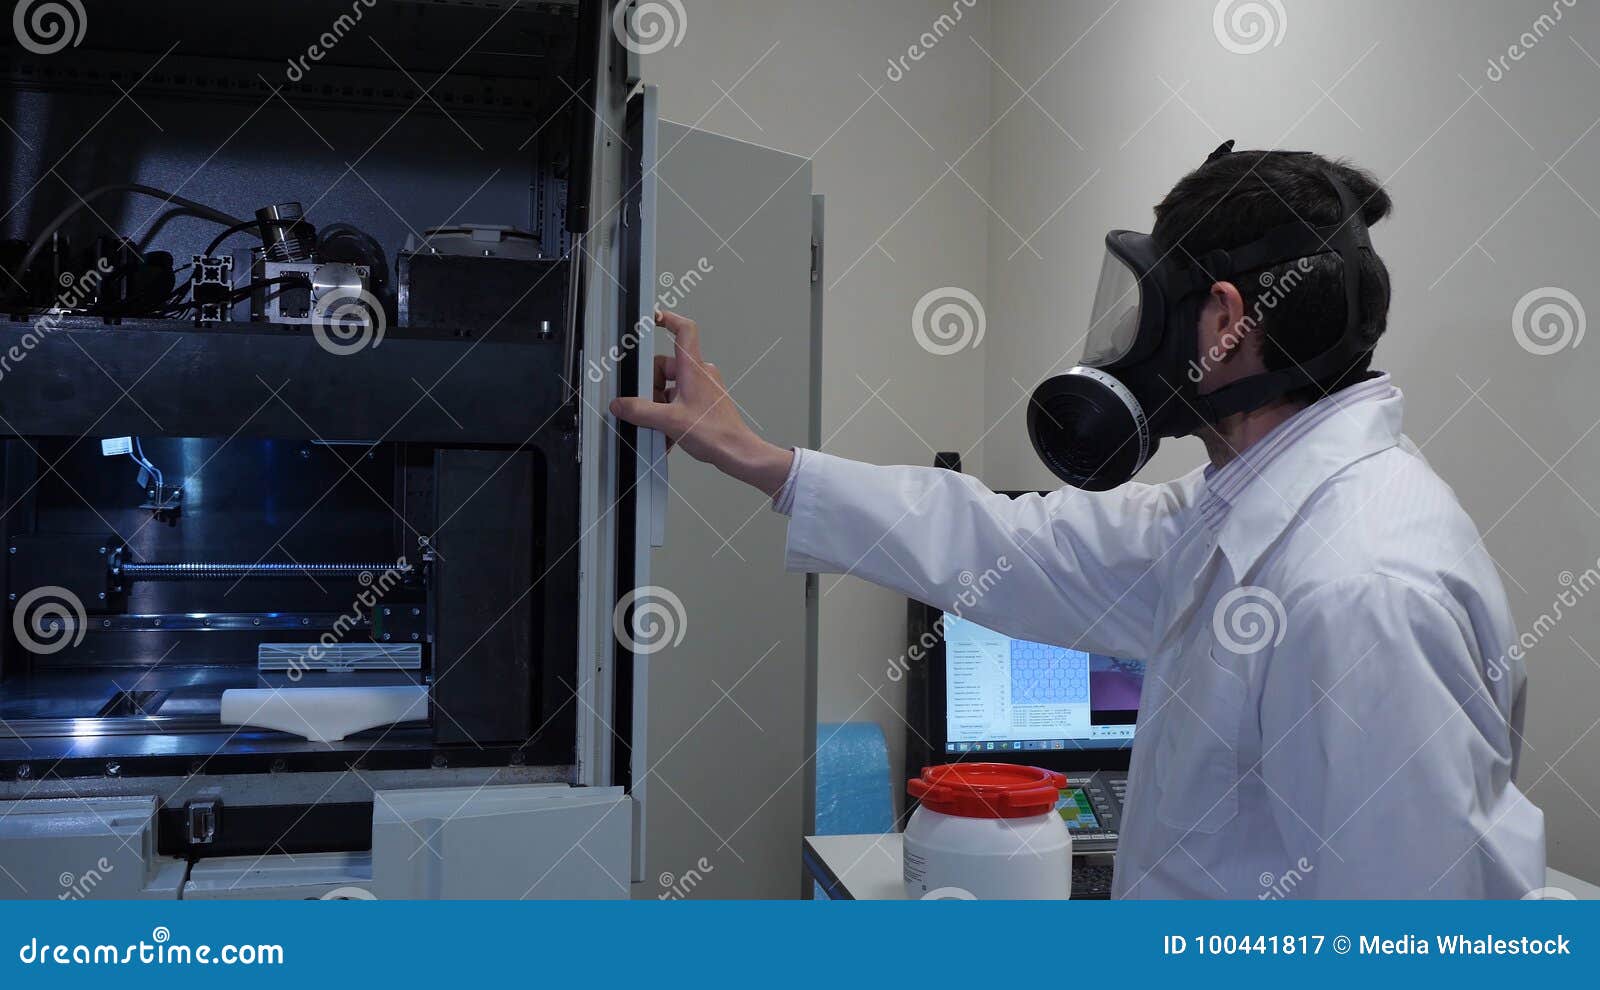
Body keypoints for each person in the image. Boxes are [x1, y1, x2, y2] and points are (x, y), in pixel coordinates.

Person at [610, 145, 1545, 899]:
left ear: (1223, 320)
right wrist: (758, 458)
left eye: (1153, 306)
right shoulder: (1242, 514)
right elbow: (1012, 541)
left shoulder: (1357, 587)